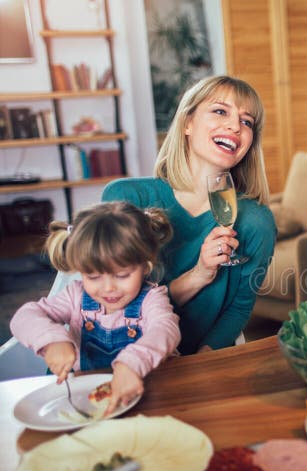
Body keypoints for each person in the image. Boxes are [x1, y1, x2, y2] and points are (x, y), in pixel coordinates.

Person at [103, 75, 276, 354]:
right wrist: (199, 275)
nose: (235, 126)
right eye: (220, 111)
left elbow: (239, 308)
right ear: (187, 123)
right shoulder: (126, 199)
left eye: (247, 122)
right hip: (122, 354)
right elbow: (112, 305)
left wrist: (202, 363)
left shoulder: (257, 221)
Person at [10, 202, 180, 414]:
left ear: (146, 265)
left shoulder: (152, 299)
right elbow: (24, 316)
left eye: (122, 275)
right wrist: (52, 340)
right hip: (88, 404)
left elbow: (165, 330)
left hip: (147, 399)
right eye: (93, 277)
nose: (108, 288)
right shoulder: (75, 296)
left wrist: (131, 364)